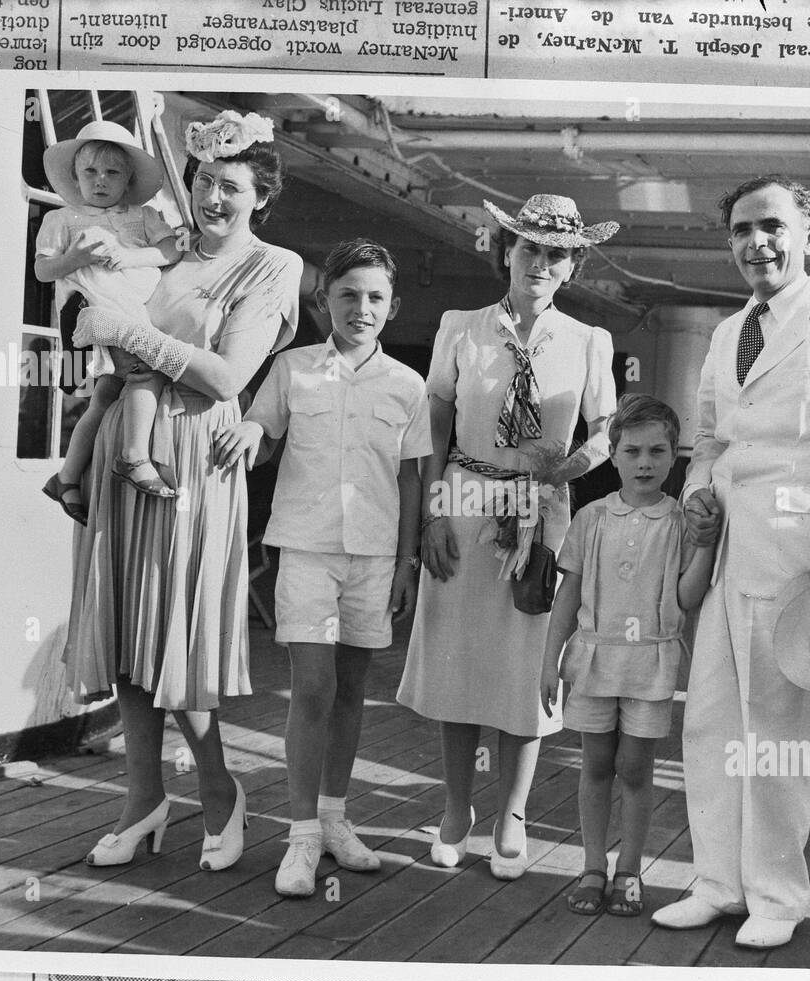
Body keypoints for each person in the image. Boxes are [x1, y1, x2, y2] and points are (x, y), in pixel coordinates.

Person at [652, 175, 810, 948]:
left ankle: (776, 894)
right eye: (739, 230)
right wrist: (698, 493)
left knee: (774, 726)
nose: (755, 242)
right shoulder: (730, 333)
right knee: (709, 721)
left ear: (809, 235)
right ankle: (716, 881)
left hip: (805, 555)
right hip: (728, 549)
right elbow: (710, 441)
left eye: (771, 226)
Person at [62, 110, 303, 871]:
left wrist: (127, 336)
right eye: (204, 181)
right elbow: (100, 315)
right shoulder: (156, 246)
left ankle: (219, 788)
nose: (215, 198)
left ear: (260, 195)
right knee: (129, 631)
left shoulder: (274, 266)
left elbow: (228, 375)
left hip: (194, 457)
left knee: (179, 639)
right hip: (126, 448)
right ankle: (142, 799)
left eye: (232, 187)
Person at [397, 195, 619, 880]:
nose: (541, 263)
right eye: (529, 248)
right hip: (463, 497)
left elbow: (608, 429)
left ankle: (512, 813)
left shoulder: (590, 341)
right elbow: (435, 414)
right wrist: (434, 510)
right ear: (506, 252)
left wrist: (571, 466)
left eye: (556, 254)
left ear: (573, 266)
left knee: (526, 664)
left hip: (539, 510)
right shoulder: (460, 327)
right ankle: (458, 808)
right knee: (458, 660)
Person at [219, 239, 432, 897]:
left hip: (374, 555)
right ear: (325, 301)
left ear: (391, 308)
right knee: (311, 685)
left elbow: (411, 479)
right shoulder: (292, 367)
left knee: (349, 689)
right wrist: (247, 435)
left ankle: (336, 818)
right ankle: (302, 836)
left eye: (374, 297)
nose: (360, 307)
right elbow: (260, 428)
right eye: (348, 295)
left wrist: (406, 563)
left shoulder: (407, 384)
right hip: (306, 547)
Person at [540, 394, 713, 917]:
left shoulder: (681, 521)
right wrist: (549, 661)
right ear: (612, 454)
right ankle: (593, 865)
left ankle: (631, 868)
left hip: (651, 663)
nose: (645, 462)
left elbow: (687, 597)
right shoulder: (591, 518)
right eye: (632, 450)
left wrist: (706, 543)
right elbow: (567, 596)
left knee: (636, 767)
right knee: (595, 763)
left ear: (673, 457)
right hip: (595, 659)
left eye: (658, 451)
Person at [37, 120, 184, 520]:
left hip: (135, 308)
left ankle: (66, 476)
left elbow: (169, 252)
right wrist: (75, 259)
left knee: (105, 396)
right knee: (143, 371)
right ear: (75, 177)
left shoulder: (144, 216)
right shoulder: (63, 220)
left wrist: (134, 256)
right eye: (90, 172)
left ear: (129, 179)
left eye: (112, 173)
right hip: (97, 309)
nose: (100, 181)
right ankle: (134, 456)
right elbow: (44, 271)